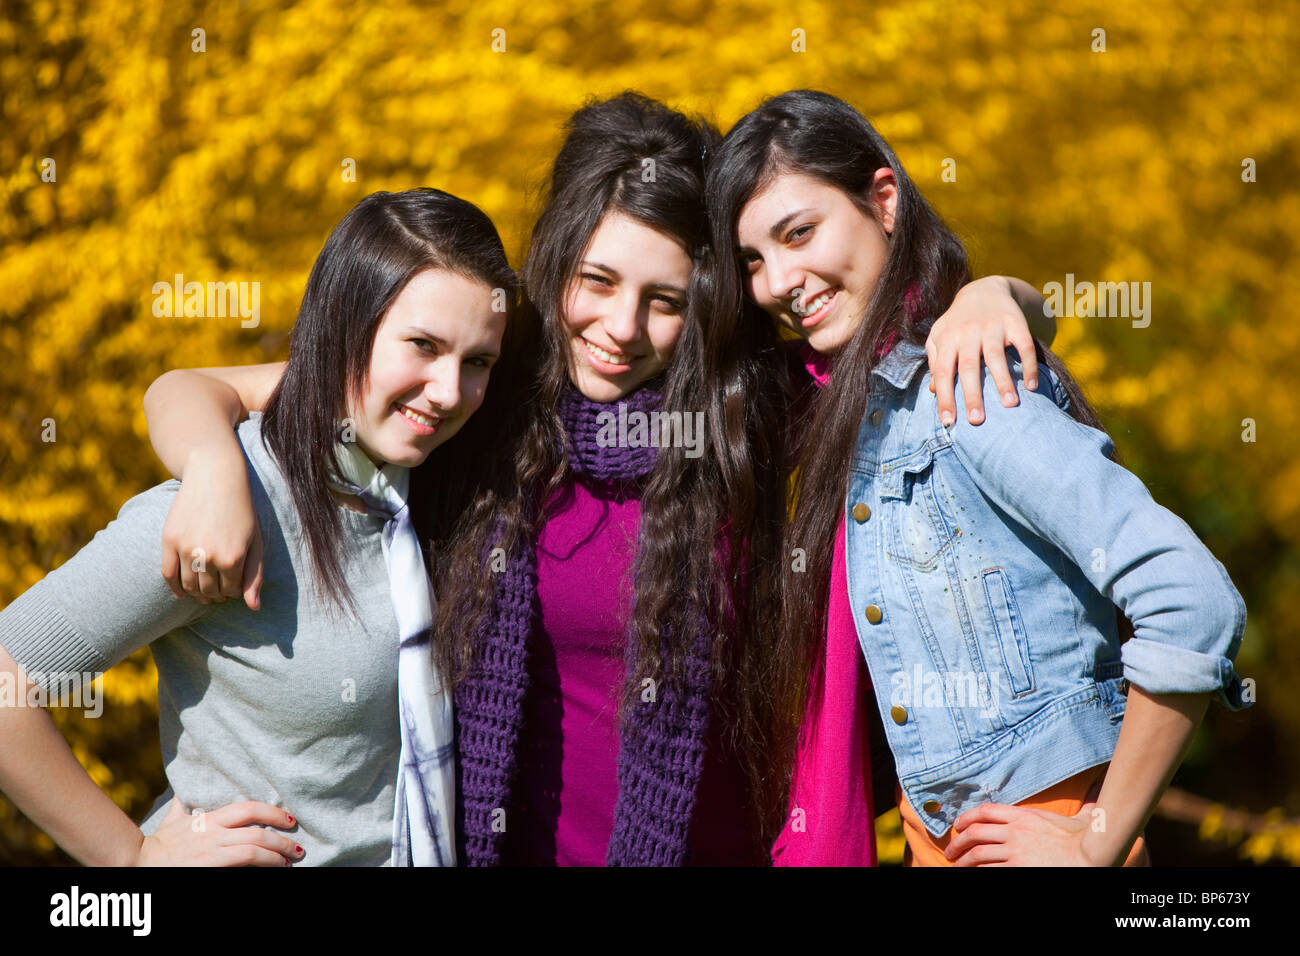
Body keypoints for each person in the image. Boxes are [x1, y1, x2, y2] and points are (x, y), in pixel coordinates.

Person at [141, 93, 1065, 866]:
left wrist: (996, 294)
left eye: (663, 302)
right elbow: (202, 387)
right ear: (555, 265)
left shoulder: (748, 418)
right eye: (597, 281)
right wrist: (215, 462)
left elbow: (926, 343)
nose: (622, 328)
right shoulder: (477, 404)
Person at [705, 89, 1250, 866]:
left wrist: (1097, 840)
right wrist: (1005, 292)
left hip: (1046, 830)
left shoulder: (963, 388)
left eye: (800, 233)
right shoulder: (835, 414)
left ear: (883, 200)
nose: (780, 280)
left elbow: (1189, 599)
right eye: (754, 261)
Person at [0, 187, 516, 866]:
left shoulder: (432, 477)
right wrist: (132, 858)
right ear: (343, 329)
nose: (450, 391)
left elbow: (211, 386)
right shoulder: (234, 502)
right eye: (423, 345)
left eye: (477, 361)